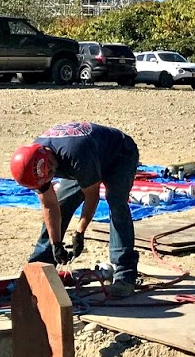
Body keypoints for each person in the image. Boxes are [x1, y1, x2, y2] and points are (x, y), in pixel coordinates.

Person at [11, 122, 141, 298]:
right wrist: (56, 243)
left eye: (50, 171)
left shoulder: (75, 155)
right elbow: (50, 205)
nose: (50, 175)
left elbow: (92, 196)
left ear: (48, 157)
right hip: (86, 159)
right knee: (63, 203)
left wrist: (80, 232)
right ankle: (41, 266)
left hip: (119, 154)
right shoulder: (33, 162)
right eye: (47, 175)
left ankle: (125, 274)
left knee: (116, 202)